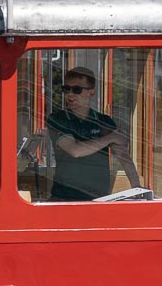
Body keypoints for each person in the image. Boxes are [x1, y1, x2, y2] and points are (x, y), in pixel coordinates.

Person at [45, 67, 141, 200]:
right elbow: (75, 150)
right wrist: (110, 138)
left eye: (76, 90)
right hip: (64, 198)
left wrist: (137, 188)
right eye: (66, 89)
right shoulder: (57, 119)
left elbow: (124, 158)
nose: (70, 94)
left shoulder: (104, 121)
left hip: (99, 199)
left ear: (91, 92)